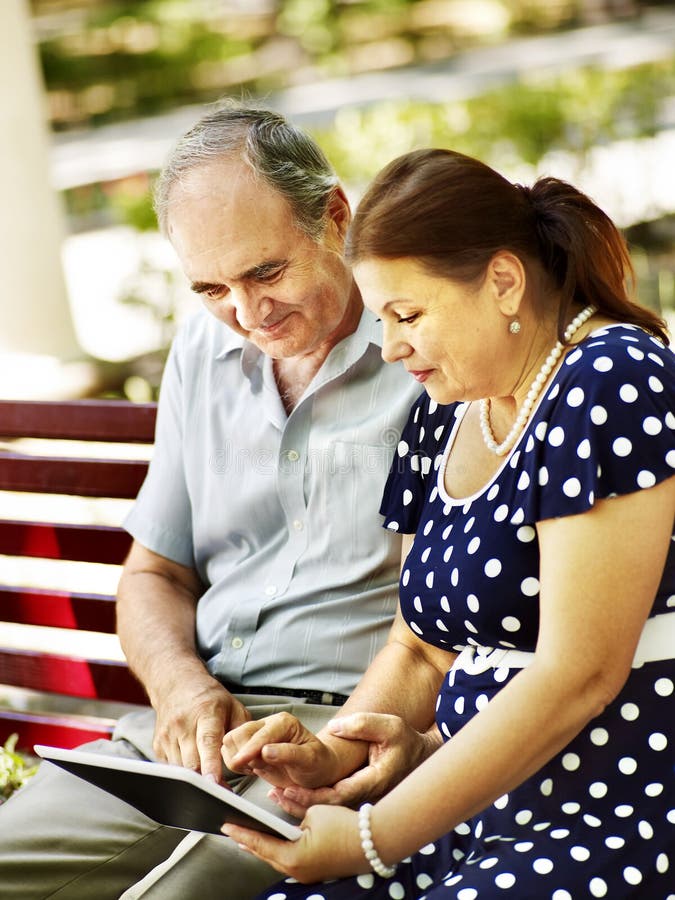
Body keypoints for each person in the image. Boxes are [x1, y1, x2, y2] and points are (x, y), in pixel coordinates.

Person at [218, 148, 675, 899]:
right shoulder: (445, 412)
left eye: (407, 314)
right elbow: (420, 650)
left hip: (612, 814)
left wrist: (372, 838)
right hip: (476, 810)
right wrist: (336, 754)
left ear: (502, 281)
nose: (391, 346)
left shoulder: (608, 380)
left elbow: (577, 675)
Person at [0, 104, 420, 900]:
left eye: (266, 272)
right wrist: (181, 689)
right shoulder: (204, 345)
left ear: (334, 216)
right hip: (188, 736)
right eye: (211, 287)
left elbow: (437, 630)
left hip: (342, 738)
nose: (248, 313)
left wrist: (335, 747)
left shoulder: (421, 347)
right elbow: (153, 572)